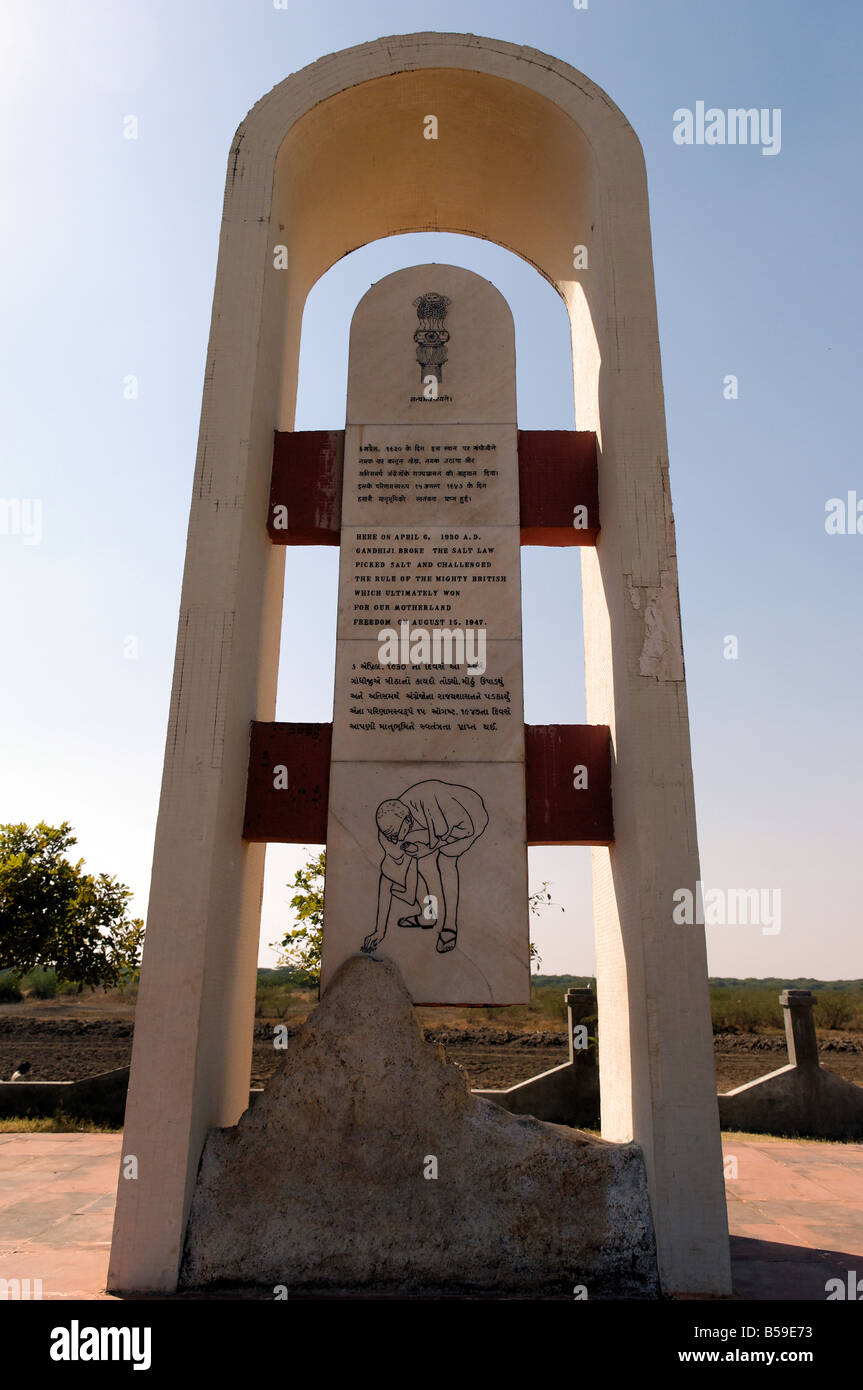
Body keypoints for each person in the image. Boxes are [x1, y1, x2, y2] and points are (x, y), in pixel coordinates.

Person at [362, 780, 488, 957]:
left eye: (400, 835)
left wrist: (430, 847)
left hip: (469, 818)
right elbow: (387, 879)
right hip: (433, 827)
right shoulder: (389, 835)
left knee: (445, 862)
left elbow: (466, 829)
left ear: (408, 820)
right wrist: (379, 930)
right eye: (393, 838)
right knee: (423, 865)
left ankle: (449, 926)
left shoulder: (431, 803)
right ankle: (428, 916)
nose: (397, 840)